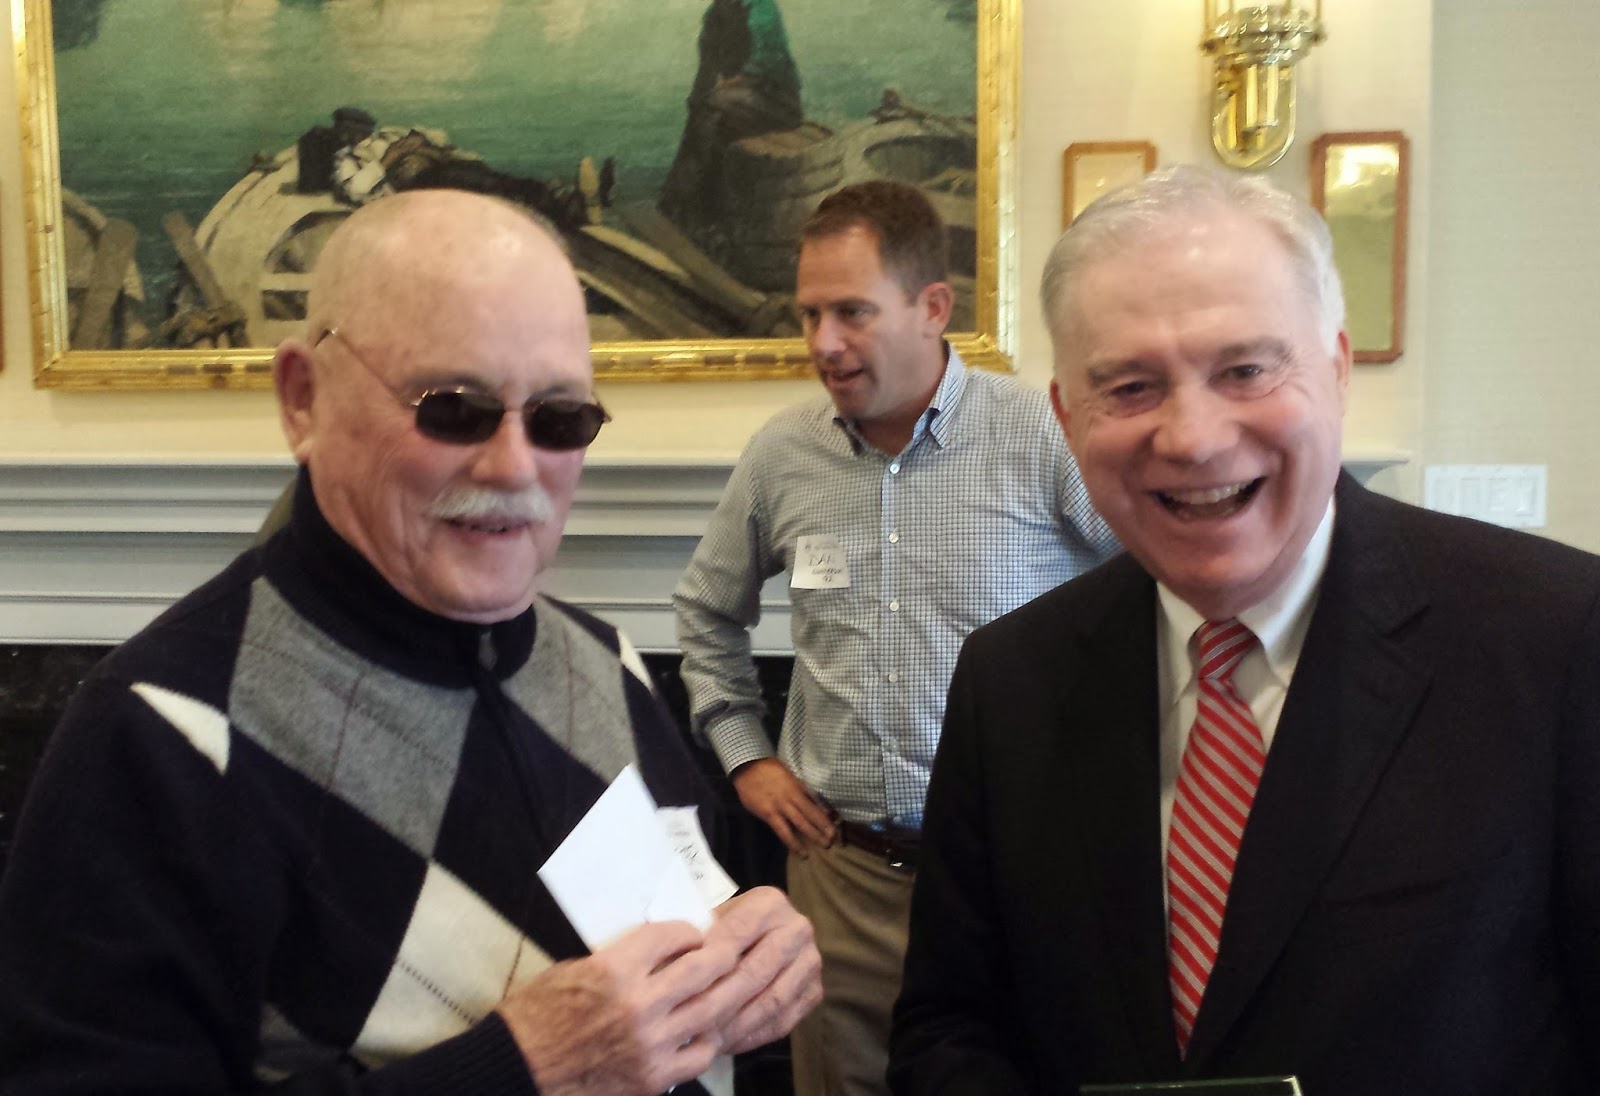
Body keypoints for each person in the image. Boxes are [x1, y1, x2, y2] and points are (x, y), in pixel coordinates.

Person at [0, 190, 821, 1095]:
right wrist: (517, 1070)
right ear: (301, 399)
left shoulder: (611, 666)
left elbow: (679, 971)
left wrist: (751, 964)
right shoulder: (157, 736)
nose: (514, 466)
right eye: (453, 409)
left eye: (560, 420)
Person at [889, 165, 1600, 1094]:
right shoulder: (1009, 677)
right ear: (1067, 417)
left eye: (1246, 369)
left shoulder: (1555, 637)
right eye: (1131, 387)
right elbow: (949, 1026)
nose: (1191, 437)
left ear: (1337, 368)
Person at [674, 180, 1119, 1096]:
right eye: (808, 315)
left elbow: (1152, 586)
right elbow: (706, 612)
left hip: (1017, 876)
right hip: (845, 879)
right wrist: (744, 754)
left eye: (852, 312)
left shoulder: (1041, 432)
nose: (823, 343)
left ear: (932, 307)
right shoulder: (780, 454)